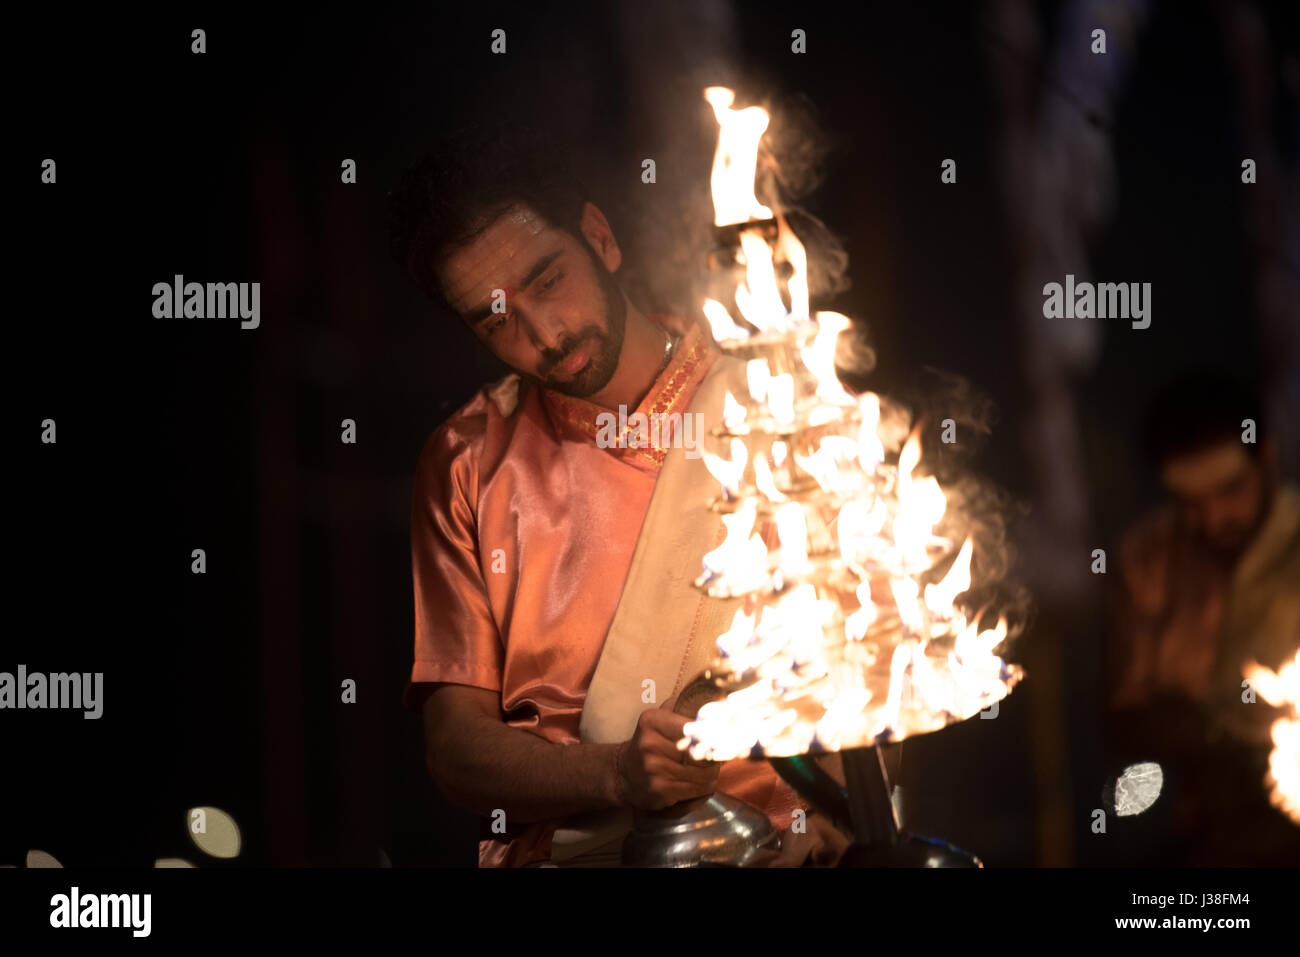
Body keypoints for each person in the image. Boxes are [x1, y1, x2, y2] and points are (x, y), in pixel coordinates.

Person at [388, 124, 850, 867]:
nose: (543, 332)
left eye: (548, 280)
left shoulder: (772, 403)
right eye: (497, 318)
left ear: (599, 238)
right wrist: (614, 773)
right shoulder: (467, 461)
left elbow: (861, 662)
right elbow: (454, 747)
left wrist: (836, 821)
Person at [1105, 371, 1299, 864]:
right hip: (1203, 835)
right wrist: (1226, 734)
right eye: (1191, 504)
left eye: (1231, 490)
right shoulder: (1147, 559)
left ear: (1267, 456)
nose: (1214, 520)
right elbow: (1123, 718)